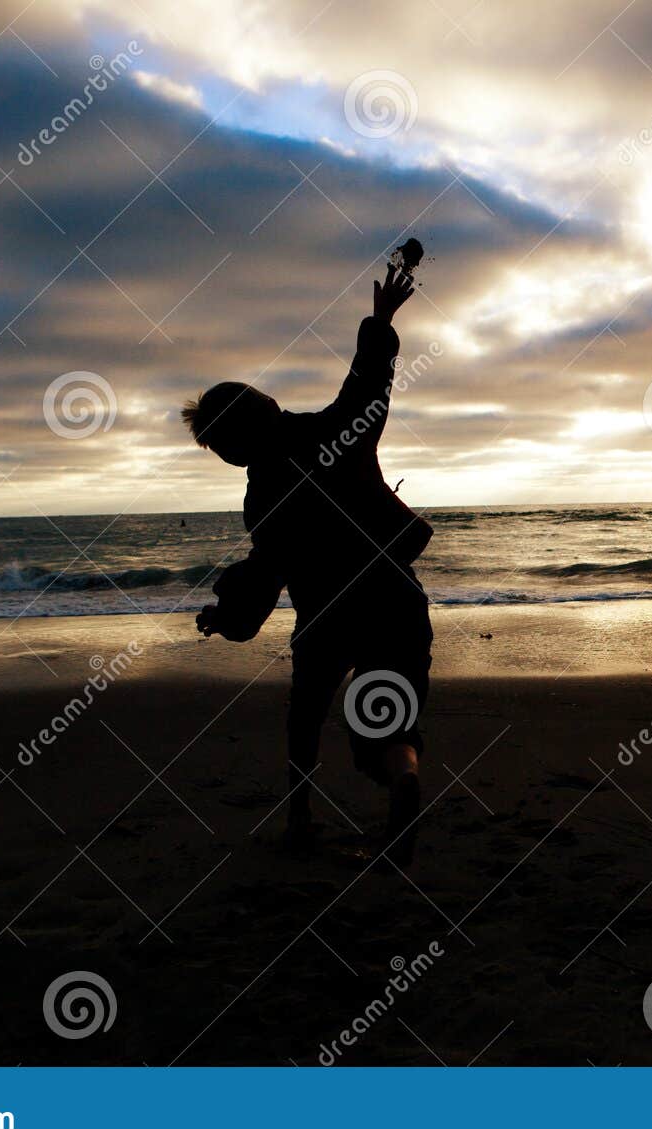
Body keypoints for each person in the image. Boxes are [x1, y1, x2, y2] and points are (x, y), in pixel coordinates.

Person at [182, 263, 431, 865]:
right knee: (387, 718)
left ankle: (299, 820)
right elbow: (368, 383)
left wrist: (228, 616)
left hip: (328, 614)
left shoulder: (263, 496)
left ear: (232, 452)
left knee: (306, 717)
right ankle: (402, 777)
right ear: (268, 403)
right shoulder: (335, 431)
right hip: (394, 597)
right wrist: (380, 321)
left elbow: (265, 573)